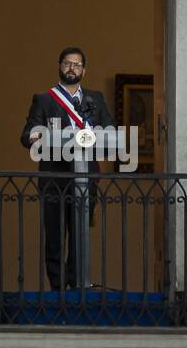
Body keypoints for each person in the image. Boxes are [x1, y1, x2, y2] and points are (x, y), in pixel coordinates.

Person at [19, 46, 115, 290]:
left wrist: (101, 136)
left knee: (80, 234)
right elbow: (27, 133)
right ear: (59, 66)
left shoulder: (95, 99)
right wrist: (38, 137)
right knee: (55, 235)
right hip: (54, 176)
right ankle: (58, 287)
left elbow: (111, 131)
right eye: (67, 63)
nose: (72, 68)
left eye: (77, 64)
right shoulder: (44, 99)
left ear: (84, 70)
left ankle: (78, 284)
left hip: (86, 175)